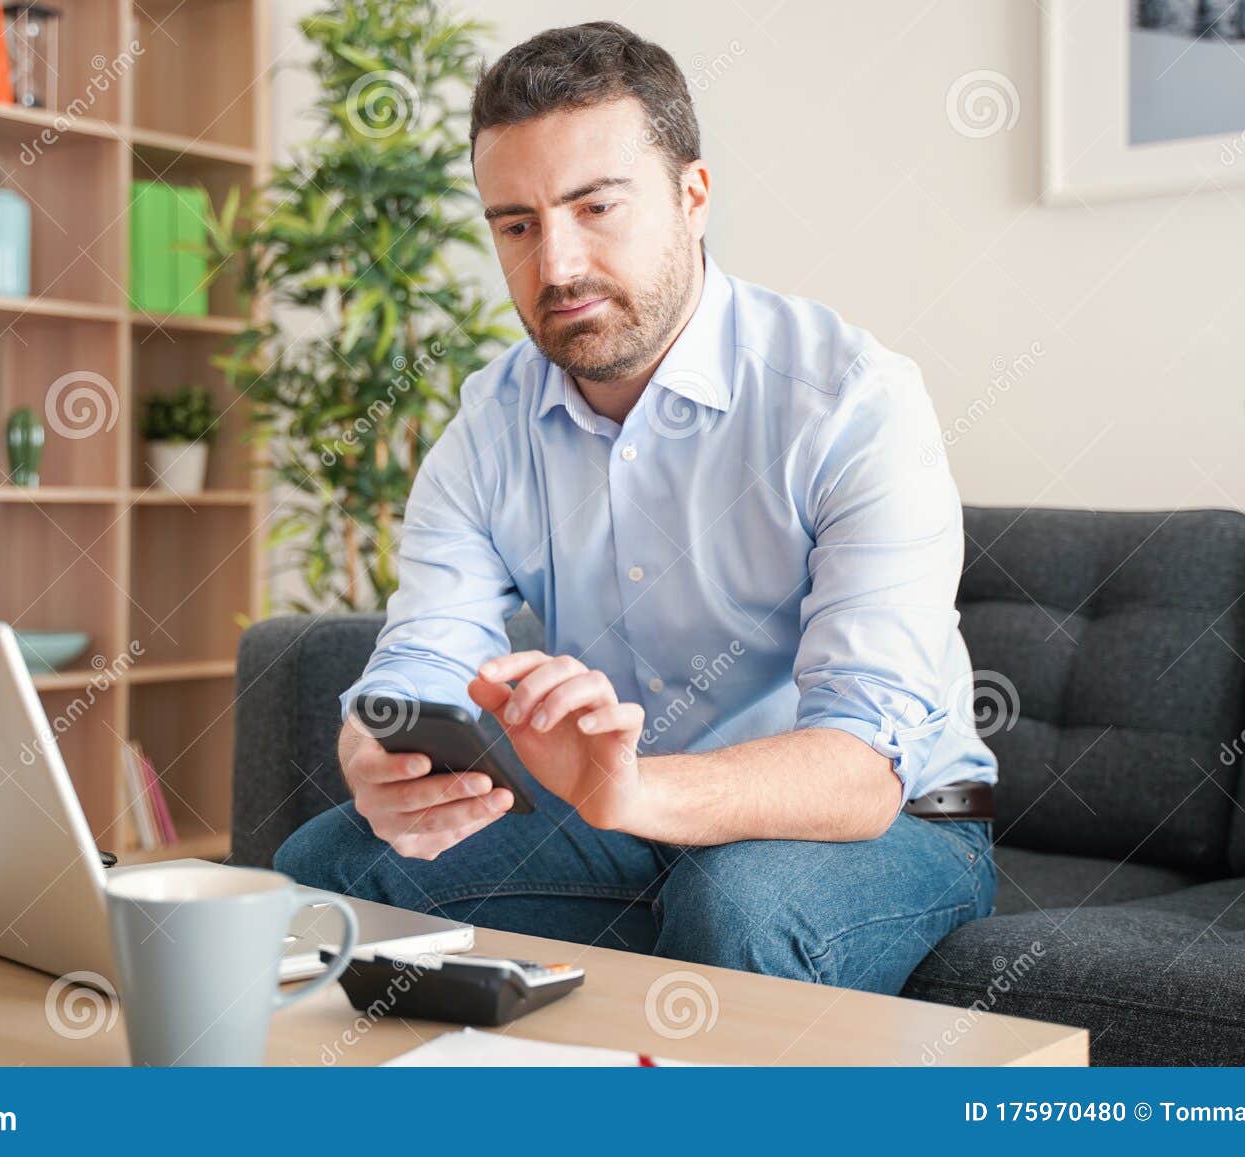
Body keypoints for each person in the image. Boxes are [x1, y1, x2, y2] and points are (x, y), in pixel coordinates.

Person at [275, 21, 999, 994]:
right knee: (324, 872)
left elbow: (862, 769)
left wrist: (635, 789)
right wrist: (373, 753)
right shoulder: (489, 426)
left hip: (893, 824)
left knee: (739, 903)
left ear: (691, 196)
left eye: (595, 207)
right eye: (517, 224)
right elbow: (415, 667)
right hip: (615, 814)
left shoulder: (850, 401)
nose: (557, 265)